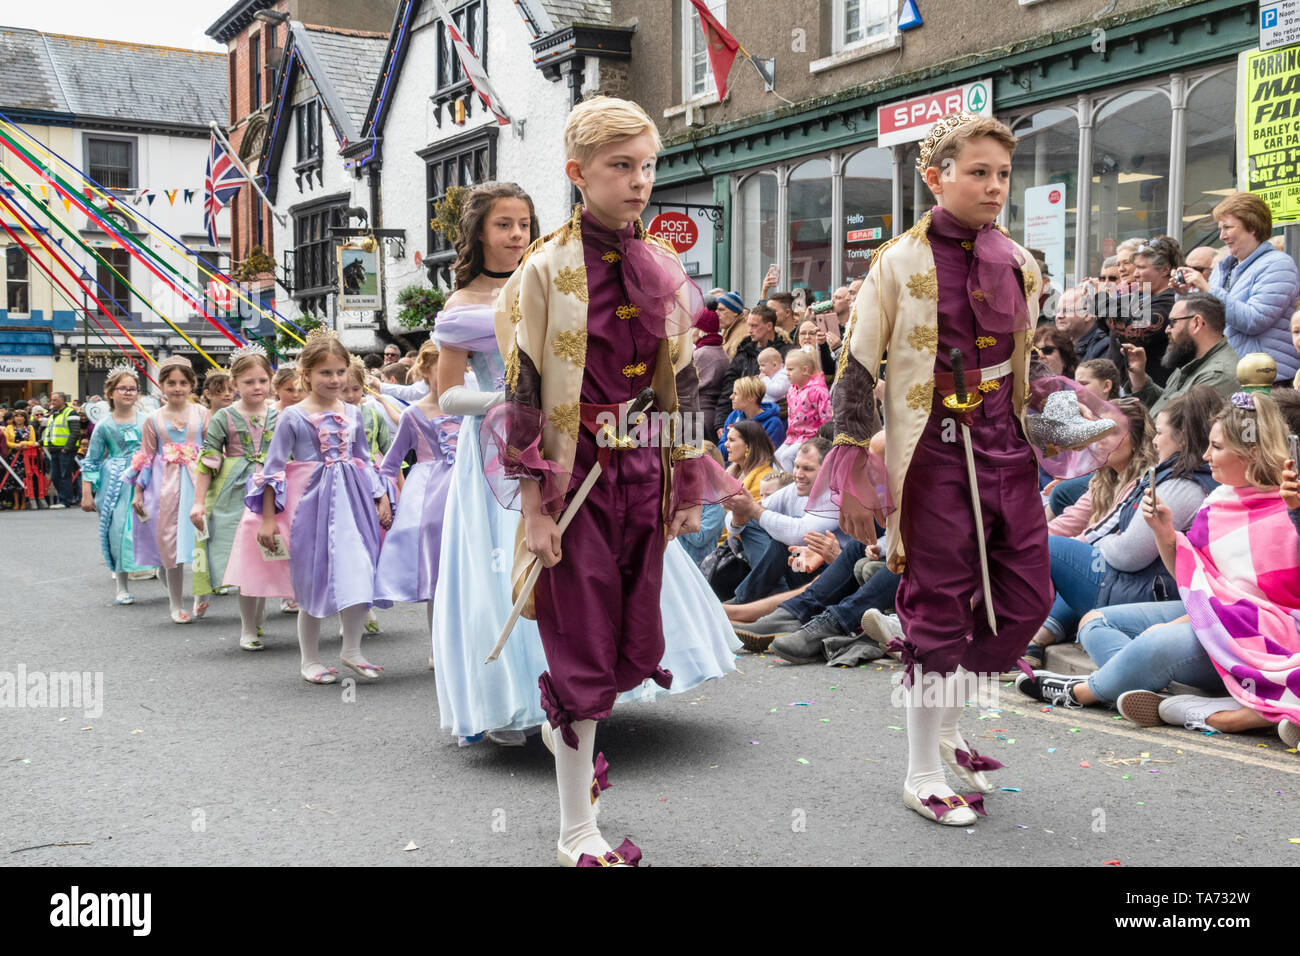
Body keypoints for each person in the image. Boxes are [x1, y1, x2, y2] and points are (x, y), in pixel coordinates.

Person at [487, 97, 745, 866]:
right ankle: (577, 828)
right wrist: (536, 506)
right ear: (577, 174)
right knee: (581, 646)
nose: (640, 182)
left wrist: (682, 485)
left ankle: (570, 747)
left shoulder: (663, 266)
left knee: (630, 636)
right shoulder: (543, 271)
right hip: (575, 480)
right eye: (621, 167)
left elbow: (678, 390)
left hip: (642, 474)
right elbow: (524, 395)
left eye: (648, 166)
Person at [822, 112, 1053, 827]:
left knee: (1026, 598)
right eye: (977, 172)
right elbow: (855, 370)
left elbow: (1027, 364)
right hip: (933, 450)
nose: (993, 186)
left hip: (1005, 444)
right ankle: (923, 767)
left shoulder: (1019, 258)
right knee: (944, 598)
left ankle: (937, 682)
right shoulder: (898, 260)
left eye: (1003, 174)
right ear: (936, 177)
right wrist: (857, 475)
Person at [1019, 393, 1300, 746]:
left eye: (1216, 447)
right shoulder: (1221, 498)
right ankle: (1159, 687)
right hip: (1211, 616)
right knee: (1095, 622)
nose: (1205, 455)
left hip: (1266, 635)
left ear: (1252, 454)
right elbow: (1191, 576)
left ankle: (1083, 692)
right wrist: (1164, 532)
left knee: (1157, 642)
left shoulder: (1290, 500)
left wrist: (1297, 513)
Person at [241, 330, 394, 684]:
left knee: (359, 568)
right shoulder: (292, 417)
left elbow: (363, 460)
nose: (335, 379)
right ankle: (309, 658)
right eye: (326, 373)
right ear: (306, 374)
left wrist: (380, 496)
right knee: (313, 577)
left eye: (340, 372)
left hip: (354, 502)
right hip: (311, 504)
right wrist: (267, 520)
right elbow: (273, 468)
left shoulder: (355, 414)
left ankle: (351, 649)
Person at [1022, 393, 1218, 668]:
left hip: (1155, 591)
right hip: (1143, 584)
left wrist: (1086, 551)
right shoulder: (1148, 476)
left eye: (1110, 432)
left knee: (1053, 554)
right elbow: (1083, 526)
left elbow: (1129, 553)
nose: (1155, 440)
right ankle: (1035, 638)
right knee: (1059, 548)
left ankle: (1026, 636)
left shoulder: (1180, 484)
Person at [190, 346, 276, 648]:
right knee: (246, 557)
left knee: (269, 554)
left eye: (262, 381)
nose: (257, 388)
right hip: (234, 490)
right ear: (235, 384)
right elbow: (208, 459)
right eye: (249, 382)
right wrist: (199, 501)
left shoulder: (280, 414)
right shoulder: (224, 417)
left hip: (274, 487)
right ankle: (248, 626)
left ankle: (259, 614)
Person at [374, 340, 459, 640]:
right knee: (436, 571)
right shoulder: (413, 414)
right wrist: (385, 499)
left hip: (466, 492)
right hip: (430, 496)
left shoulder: (471, 410)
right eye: (443, 371)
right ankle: (438, 645)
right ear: (424, 372)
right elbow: (391, 462)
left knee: (465, 570)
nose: (452, 377)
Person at [1172, 192, 1300, 383]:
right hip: (1229, 374)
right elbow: (1207, 321)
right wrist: (1185, 295)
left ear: (1253, 227)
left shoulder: (1278, 264)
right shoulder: (1223, 268)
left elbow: (1254, 320)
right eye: (1220, 228)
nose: (1222, 236)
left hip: (1267, 379)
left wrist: (1207, 289)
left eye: (1228, 228)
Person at [125, 357, 209, 624]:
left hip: (197, 483)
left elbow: (213, 448)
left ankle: (200, 593)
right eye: (171, 382)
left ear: (192, 385)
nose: (177, 388)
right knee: (171, 544)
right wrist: (138, 491)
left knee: (200, 540)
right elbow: (146, 456)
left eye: (183, 382)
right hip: (165, 485)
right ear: (161, 385)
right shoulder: (153, 419)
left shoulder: (203, 414)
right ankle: (175, 602)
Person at [79, 369, 155, 604]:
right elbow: (91, 460)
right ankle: (121, 586)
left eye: (133, 388)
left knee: (154, 527)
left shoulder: (148, 421)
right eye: (123, 388)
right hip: (115, 482)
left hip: (146, 477)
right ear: (111, 393)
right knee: (118, 531)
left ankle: (163, 574)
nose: (128, 393)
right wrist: (86, 494)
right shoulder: (103, 425)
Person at [1123, 291, 1239, 418]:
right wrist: (1139, 378)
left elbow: (1175, 428)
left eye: (1173, 322)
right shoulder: (1192, 358)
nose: (1167, 329)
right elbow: (1166, 404)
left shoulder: (1217, 375)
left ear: (1197, 323)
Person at [1108, 237, 1181, 391]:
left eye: (1141, 268)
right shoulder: (1147, 298)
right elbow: (1106, 324)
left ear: (1165, 270)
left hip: (1154, 393)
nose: (1135, 274)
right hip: (1132, 388)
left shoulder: (1170, 302)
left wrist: (1102, 302)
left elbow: (1135, 332)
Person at [713, 304, 793, 434]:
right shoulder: (743, 352)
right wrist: (721, 422)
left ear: (769, 326)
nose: (749, 330)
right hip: (743, 418)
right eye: (749, 325)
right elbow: (729, 388)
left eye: (754, 326)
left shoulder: (787, 352)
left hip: (777, 420)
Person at [775, 349, 831, 472]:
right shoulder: (791, 390)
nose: (787, 373)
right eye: (786, 369)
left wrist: (822, 439)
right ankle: (777, 487)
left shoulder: (818, 391)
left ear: (805, 370)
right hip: (793, 437)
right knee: (776, 457)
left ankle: (791, 486)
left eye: (790, 369)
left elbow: (827, 418)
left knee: (787, 457)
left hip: (811, 437)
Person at [719, 376, 784, 463]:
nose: (731, 397)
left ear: (751, 397)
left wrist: (735, 446)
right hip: (730, 467)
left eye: (736, 393)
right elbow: (721, 450)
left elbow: (764, 456)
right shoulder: (734, 416)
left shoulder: (773, 423)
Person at [692, 303, 729, 431]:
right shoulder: (720, 350)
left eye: (693, 327)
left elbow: (684, 385)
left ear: (700, 330)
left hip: (698, 416)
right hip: (712, 415)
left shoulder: (701, 353)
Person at [2, 409, 47, 509]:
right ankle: (16, 502)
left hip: (27, 457)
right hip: (13, 457)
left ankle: (24, 502)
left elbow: (33, 441)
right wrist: (16, 445)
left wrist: (23, 444)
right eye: (16, 416)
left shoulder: (29, 428)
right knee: (14, 480)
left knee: (26, 479)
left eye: (21, 416)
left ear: (25, 418)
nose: (19, 418)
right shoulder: (9, 428)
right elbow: (7, 442)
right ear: (14, 418)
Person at [43, 391, 81, 508]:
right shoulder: (53, 414)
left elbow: (75, 432)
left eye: (55, 400)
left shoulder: (70, 412)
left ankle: (65, 501)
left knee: (65, 476)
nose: (52, 402)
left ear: (63, 400)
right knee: (55, 476)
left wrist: (67, 448)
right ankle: (62, 499)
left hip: (65, 450)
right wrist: (43, 443)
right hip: (54, 449)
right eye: (52, 400)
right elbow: (50, 432)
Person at [1054, 285, 1109, 361]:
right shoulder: (1055, 345)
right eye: (1057, 311)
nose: (1059, 316)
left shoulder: (1104, 347)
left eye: (1067, 310)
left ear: (1087, 315)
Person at [714, 290, 749, 358]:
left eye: (721, 310)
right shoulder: (727, 328)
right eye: (716, 310)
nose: (716, 314)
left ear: (735, 312)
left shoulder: (745, 335)